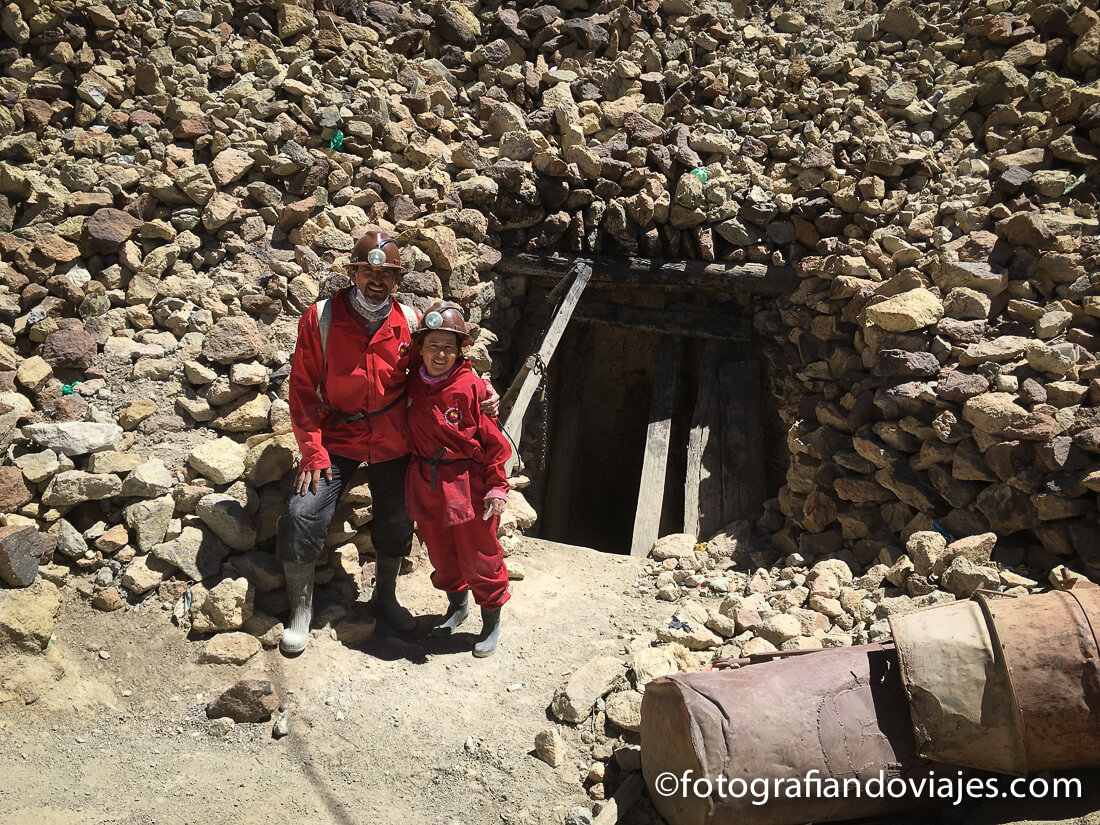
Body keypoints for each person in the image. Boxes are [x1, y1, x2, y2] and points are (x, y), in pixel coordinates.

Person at [277, 229, 496, 655]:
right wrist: (313, 451)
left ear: (397, 279)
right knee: (303, 512)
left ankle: (385, 597)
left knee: (397, 518)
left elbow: (438, 370)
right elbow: (302, 389)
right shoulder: (320, 318)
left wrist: (482, 390)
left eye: (387, 274)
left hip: (395, 436)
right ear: (353, 272)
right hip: (337, 434)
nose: (377, 280)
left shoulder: (410, 323)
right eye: (368, 271)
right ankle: (299, 611)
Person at [405, 301, 511, 657]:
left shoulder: (471, 389)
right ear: (420, 348)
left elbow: (494, 443)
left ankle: (491, 622)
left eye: (448, 347)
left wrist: (497, 486)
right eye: (433, 345)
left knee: (479, 554)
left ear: (460, 351)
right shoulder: (412, 383)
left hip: (468, 484)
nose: (440, 354)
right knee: (441, 553)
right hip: (427, 481)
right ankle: (457, 606)